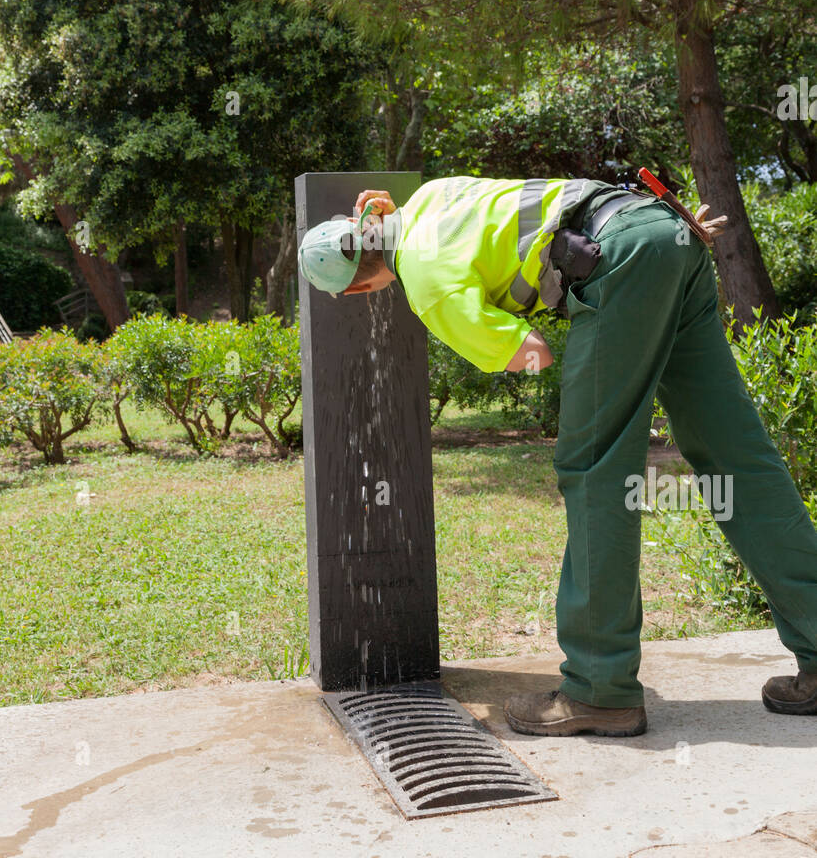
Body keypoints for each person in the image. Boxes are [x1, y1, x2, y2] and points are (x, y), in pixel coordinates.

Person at [298, 175, 817, 735]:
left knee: (594, 466)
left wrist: (559, 340)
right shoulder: (429, 197)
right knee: (734, 453)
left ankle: (599, 689)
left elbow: (534, 354)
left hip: (616, 259)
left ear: (354, 290)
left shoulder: (427, 285)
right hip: (666, 231)